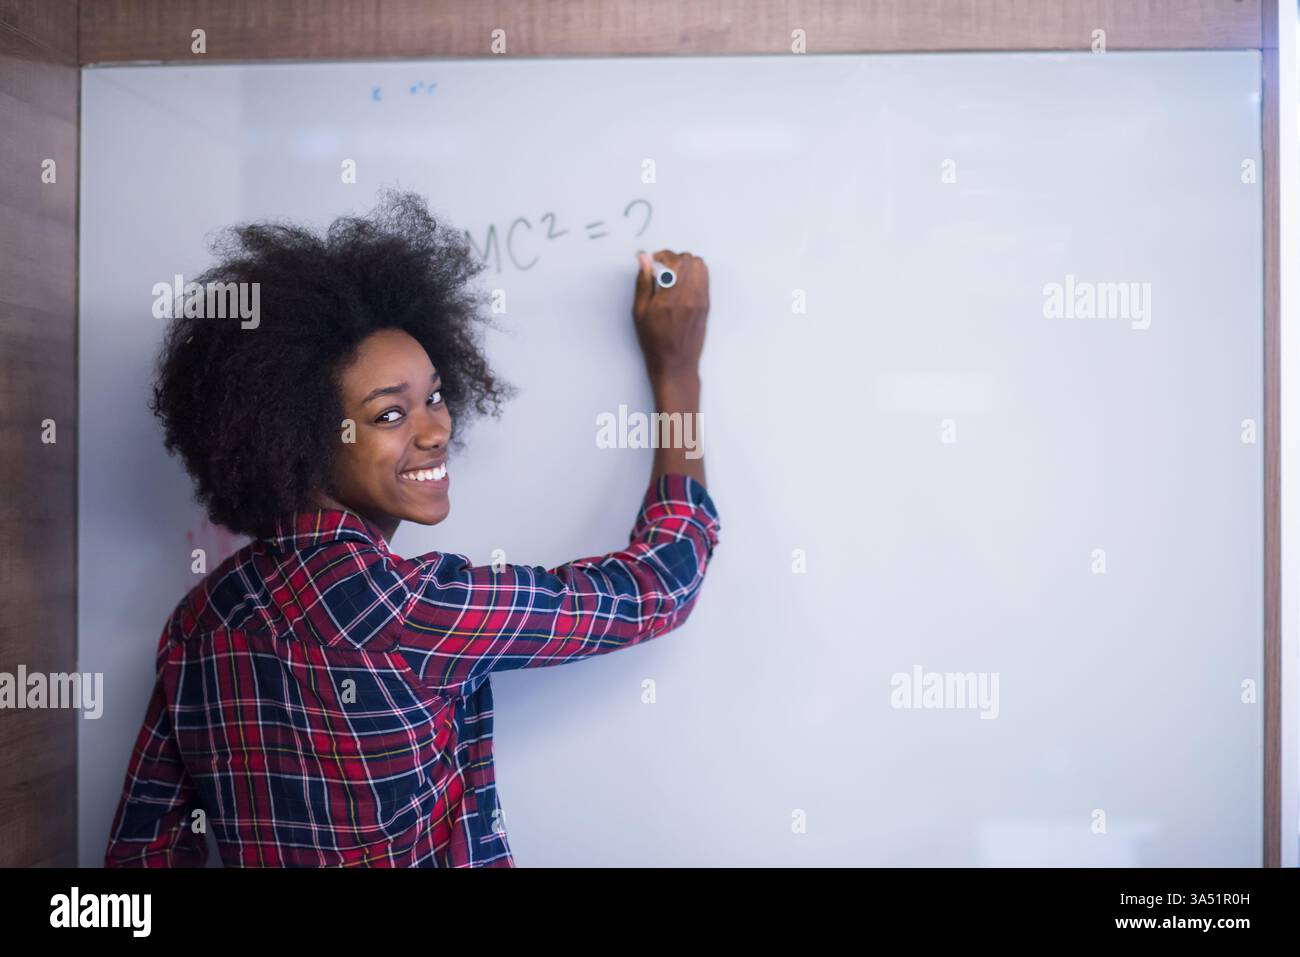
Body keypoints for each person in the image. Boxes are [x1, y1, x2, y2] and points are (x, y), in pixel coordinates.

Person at [103, 190, 720, 867]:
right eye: (389, 415)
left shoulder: (198, 624)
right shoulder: (416, 610)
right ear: (301, 432)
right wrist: (677, 372)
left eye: (433, 396)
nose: (437, 428)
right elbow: (660, 585)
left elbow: (143, 851)